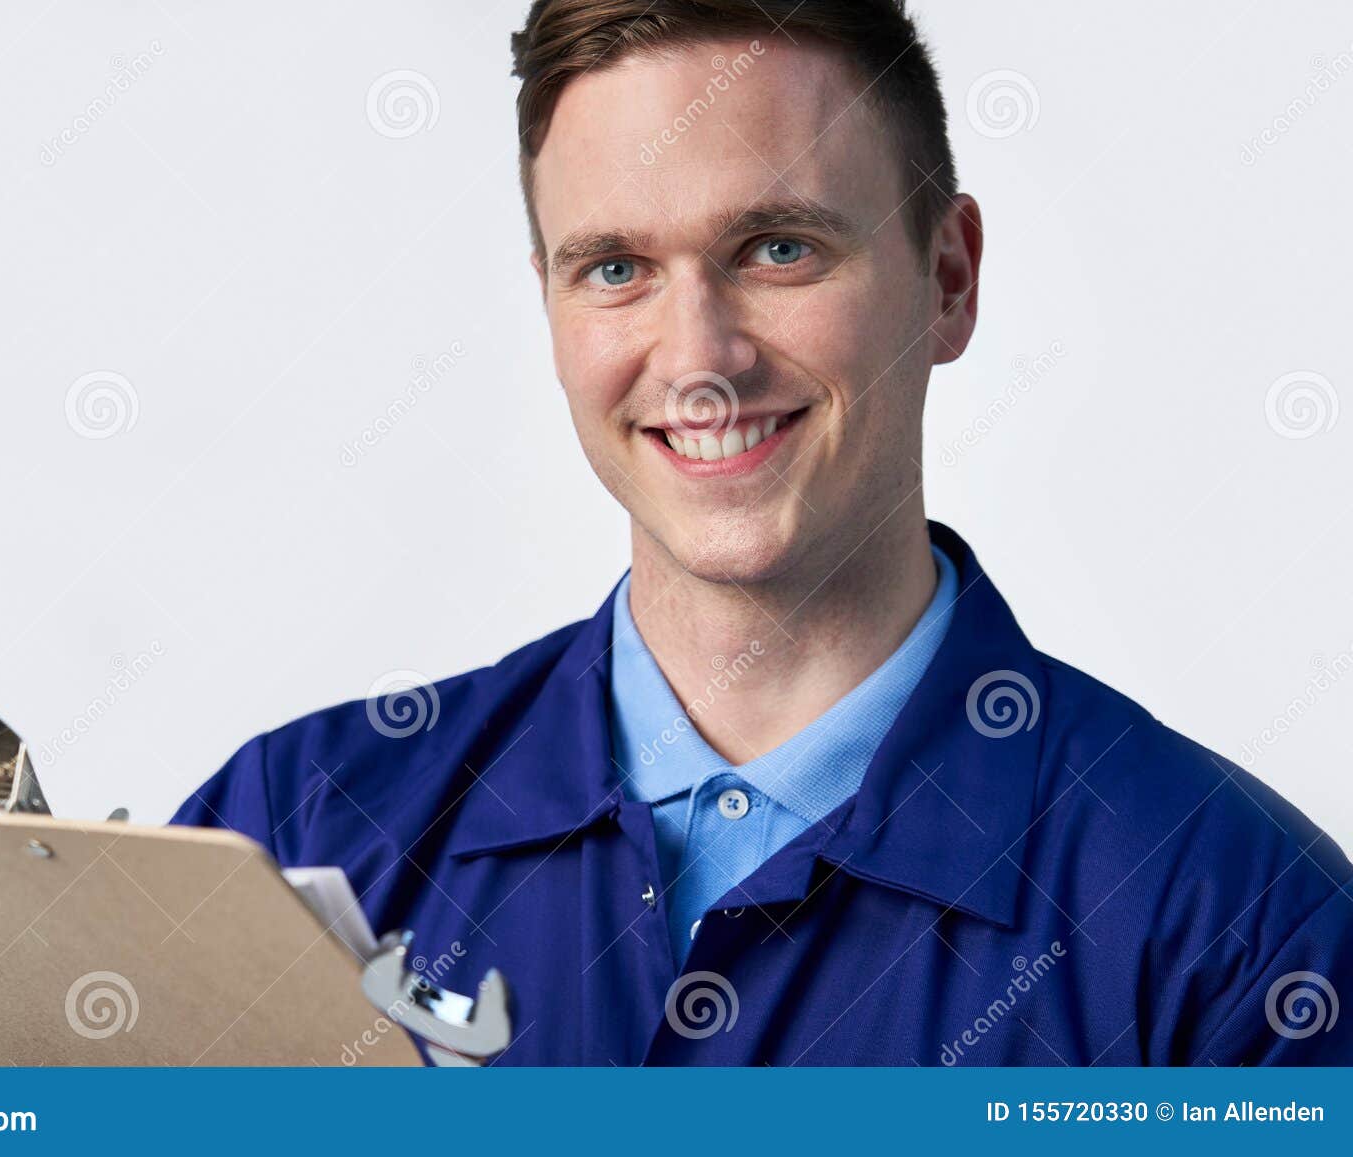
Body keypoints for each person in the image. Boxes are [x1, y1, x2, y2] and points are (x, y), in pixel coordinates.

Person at [173, 0, 1353, 1065]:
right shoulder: (290, 834)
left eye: (777, 248)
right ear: (547, 298)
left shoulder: (1241, 934)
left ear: (948, 276)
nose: (698, 362)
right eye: (617, 267)